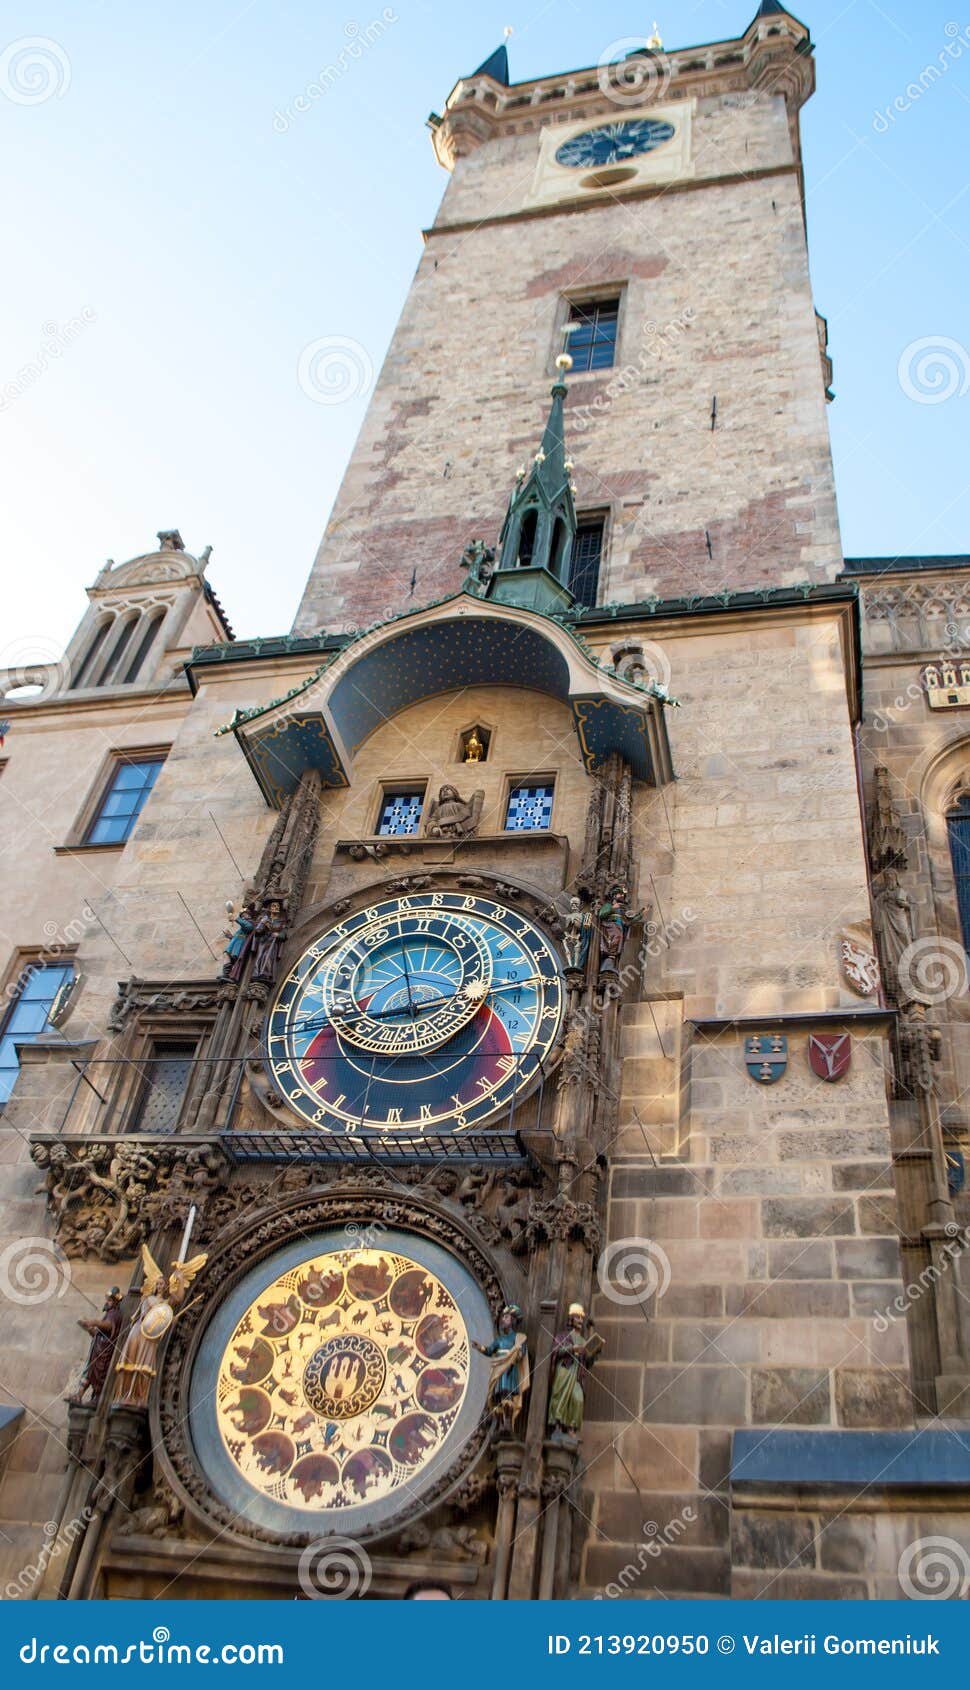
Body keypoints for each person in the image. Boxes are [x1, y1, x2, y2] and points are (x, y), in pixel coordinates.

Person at [547, 1303, 602, 1439]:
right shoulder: (563, 1336)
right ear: (571, 1319)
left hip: (577, 1373)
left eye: (581, 1318)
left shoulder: (583, 1340)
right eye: (577, 1317)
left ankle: (571, 1429)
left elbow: (587, 1362)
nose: (580, 1321)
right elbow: (555, 1351)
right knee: (561, 1397)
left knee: (578, 1398)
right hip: (565, 1371)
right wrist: (572, 1349)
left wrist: (596, 1350)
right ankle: (558, 1427)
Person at [473, 1304, 530, 1435]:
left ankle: (508, 1423)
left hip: (510, 1368)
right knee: (497, 1397)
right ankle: (501, 1424)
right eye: (503, 1317)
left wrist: (512, 1360)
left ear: (513, 1320)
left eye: (506, 1317)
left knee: (507, 1394)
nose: (503, 1320)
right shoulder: (499, 1340)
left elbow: (521, 1352)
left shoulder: (518, 1338)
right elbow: (489, 1351)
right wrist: (479, 1347)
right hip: (499, 1369)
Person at [70, 1288, 123, 1405]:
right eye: (107, 1300)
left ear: (115, 1302)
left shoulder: (115, 1314)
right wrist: (89, 1329)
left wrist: (93, 1322)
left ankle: (97, 1398)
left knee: (99, 1376)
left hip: (105, 1353)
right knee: (88, 1372)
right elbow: (99, 1334)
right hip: (97, 1349)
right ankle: (79, 1395)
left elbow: (109, 1326)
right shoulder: (108, 1314)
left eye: (110, 1300)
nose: (107, 1303)